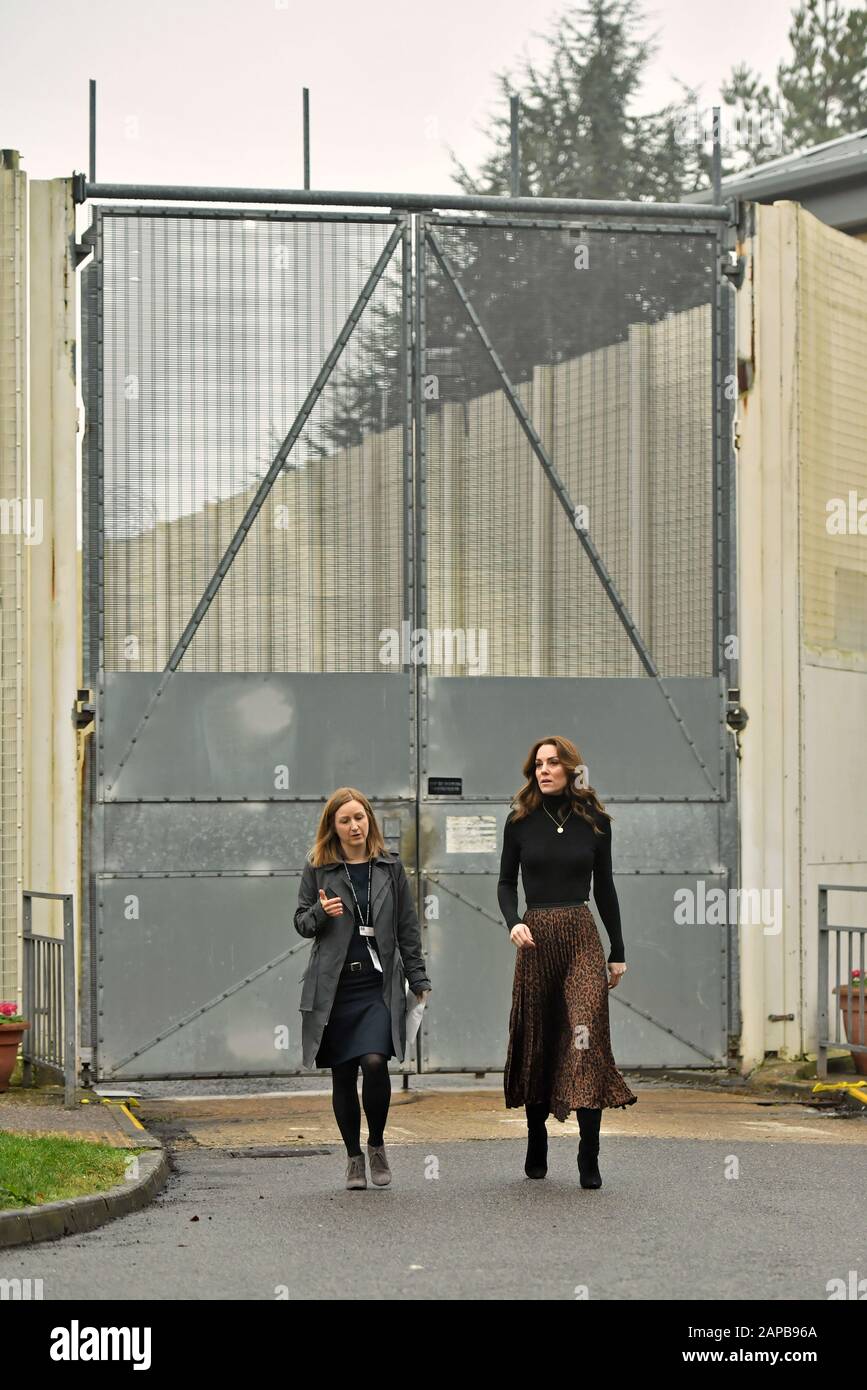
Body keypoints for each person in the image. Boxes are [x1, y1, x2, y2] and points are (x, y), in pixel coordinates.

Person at [498, 736, 637, 1188]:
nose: (544, 770)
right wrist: (513, 921)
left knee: (584, 1035)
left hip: (581, 936)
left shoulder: (594, 821)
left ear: (571, 768)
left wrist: (617, 951)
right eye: (538, 764)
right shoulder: (520, 822)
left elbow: (606, 888)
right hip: (536, 938)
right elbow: (504, 884)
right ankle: (536, 1134)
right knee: (540, 1036)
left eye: (553, 762)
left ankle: (588, 1150)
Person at [294, 788, 431, 1191]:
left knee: (374, 1061)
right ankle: (353, 1157)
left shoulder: (389, 868)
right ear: (332, 827)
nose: (354, 826)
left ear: (368, 819)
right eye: (345, 820)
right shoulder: (318, 867)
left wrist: (418, 977)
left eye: (359, 818)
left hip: (377, 985)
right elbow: (301, 922)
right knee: (342, 1073)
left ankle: (376, 1145)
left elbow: (407, 928)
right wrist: (321, 912)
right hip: (335, 987)